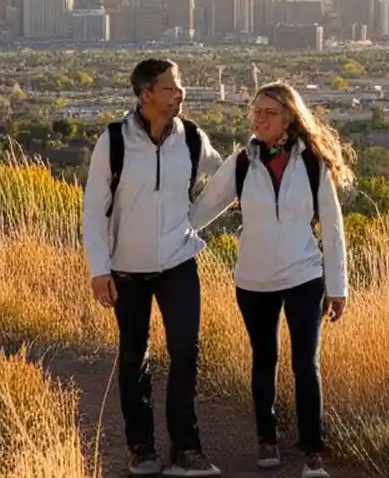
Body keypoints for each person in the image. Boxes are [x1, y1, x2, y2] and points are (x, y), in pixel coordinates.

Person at [189, 81, 353, 478]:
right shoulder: (242, 161)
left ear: (289, 118)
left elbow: (332, 228)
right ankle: (267, 438)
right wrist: (163, 239)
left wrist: (338, 287)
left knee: (305, 363)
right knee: (264, 359)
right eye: (256, 112)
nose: (259, 119)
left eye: (269, 113)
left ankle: (313, 452)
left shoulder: (312, 162)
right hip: (254, 278)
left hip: (304, 275)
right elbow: (205, 207)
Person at [81, 58, 224, 477]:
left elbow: (225, 180)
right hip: (127, 269)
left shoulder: (193, 138)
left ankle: (187, 449)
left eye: (179, 86)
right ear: (146, 95)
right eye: (171, 87)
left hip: (179, 261)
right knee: (133, 357)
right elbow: (94, 210)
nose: (180, 93)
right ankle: (140, 449)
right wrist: (99, 269)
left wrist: (192, 223)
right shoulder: (114, 141)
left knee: (185, 354)